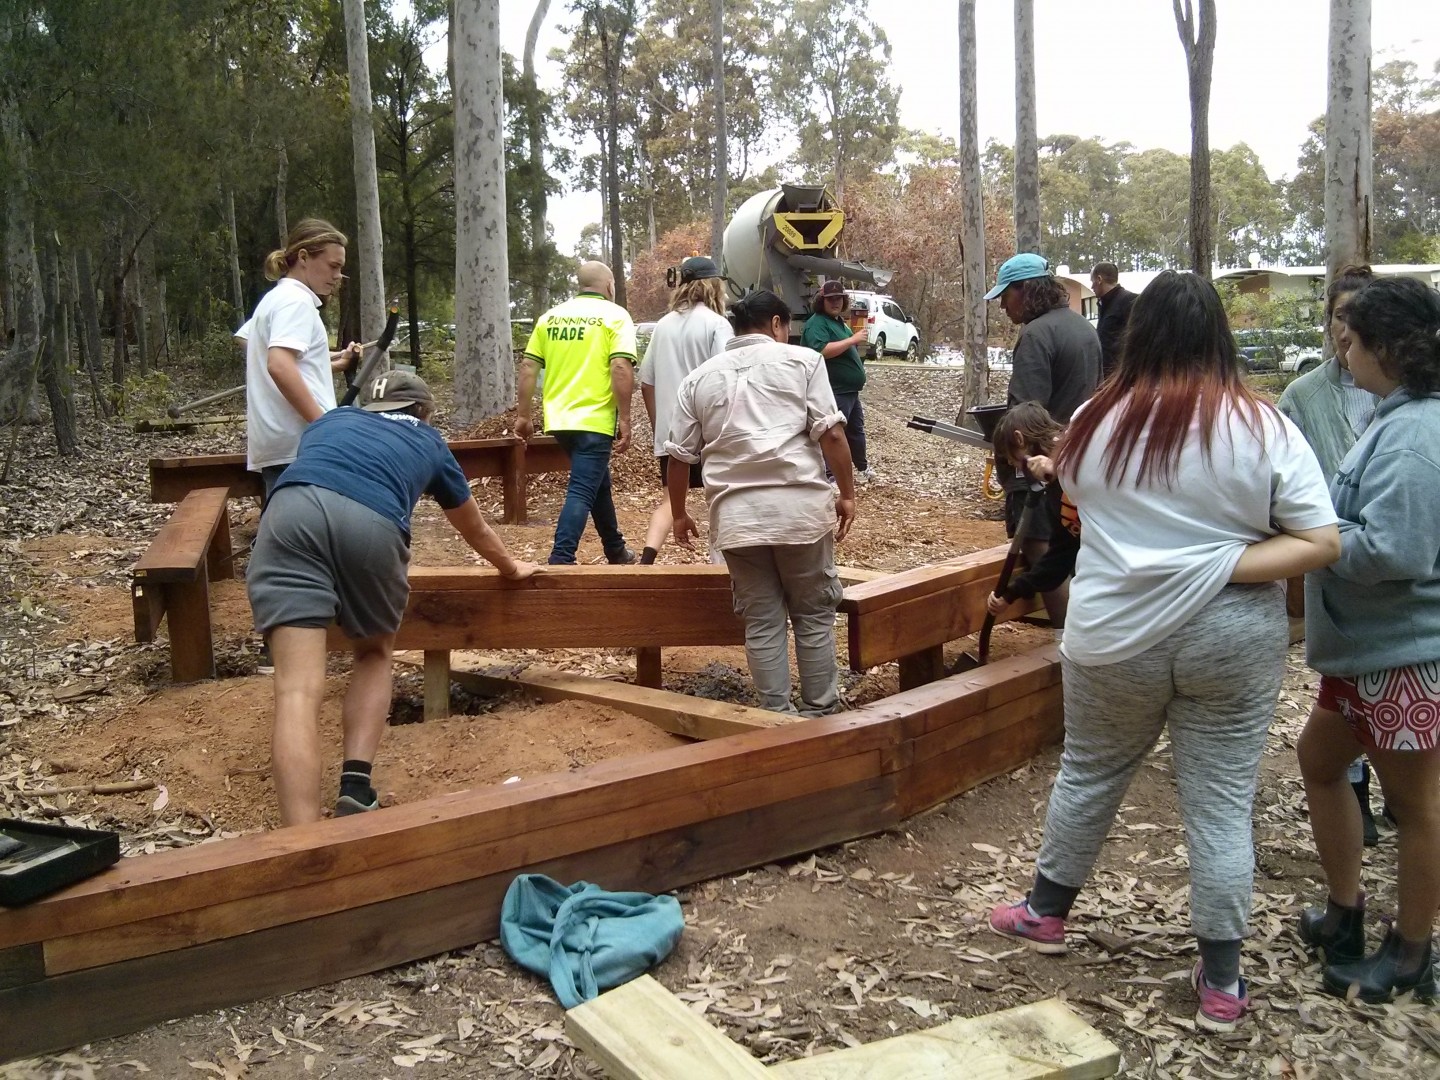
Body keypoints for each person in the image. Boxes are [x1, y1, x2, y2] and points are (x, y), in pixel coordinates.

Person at [987, 271, 1340, 1034]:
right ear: (1220, 336)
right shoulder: (1264, 426)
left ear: (1138, 336)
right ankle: (1221, 980)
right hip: (1232, 639)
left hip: (1114, 635)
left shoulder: (1092, 421)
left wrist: (1177, 561)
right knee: (1218, 802)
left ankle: (1045, 912)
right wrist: (1219, 563)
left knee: (1089, 770)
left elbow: (1079, 501)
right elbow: (1321, 542)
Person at [247, 372, 538, 827]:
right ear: (422, 411)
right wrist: (511, 567)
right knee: (374, 652)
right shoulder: (430, 440)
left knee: (296, 689)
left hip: (287, 514)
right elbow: (472, 526)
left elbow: (325, 478)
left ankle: (300, 845)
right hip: (371, 520)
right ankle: (356, 786)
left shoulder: (331, 421)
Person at [1294, 277, 1440, 1004]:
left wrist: (1317, 538)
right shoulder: (1398, 414)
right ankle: (1345, 913)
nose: (1342, 351)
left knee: (1417, 809)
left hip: (1401, 657)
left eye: (1353, 341)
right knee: (1319, 762)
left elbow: (1399, 551)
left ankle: (1413, 952)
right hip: (1363, 652)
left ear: (1391, 348)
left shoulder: (1417, 438)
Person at [667, 290, 856, 716]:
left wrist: (679, 515)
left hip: (737, 520)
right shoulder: (804, 362)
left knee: (763, 621)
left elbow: (678, 458)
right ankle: (820, 711)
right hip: (800, 514)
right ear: (776, 323)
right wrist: (846, 493)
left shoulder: (699, 379)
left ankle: (776, 718)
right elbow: (832, 434)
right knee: (812, 614)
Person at [1277, 265, 1382, 844]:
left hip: (1393, 569)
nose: (1348, 332)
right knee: (1341, 690)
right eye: (1341, 316)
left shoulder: (1406, 400)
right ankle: (1356, 794)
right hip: (1333, 566)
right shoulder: (1303, 395)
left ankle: (1403, 793)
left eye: (1360, 320)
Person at [986, 253, 1102, 628]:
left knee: (1042, 549)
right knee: (1075, 551)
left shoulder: (1036, 334)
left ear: (1026, 290)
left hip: (1042, 464)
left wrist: (1018, 464)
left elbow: (1026, 412)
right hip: (1079, 458)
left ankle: (1063, 641)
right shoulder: (1083, 327)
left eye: (1006, 295)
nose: (1003, 305)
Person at [516, 262, 639, 566]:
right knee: (583, 488)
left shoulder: (550, 318)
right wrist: (625, 417)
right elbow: (621, 366)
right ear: (609, 286)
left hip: (559, 420)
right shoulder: (615, 316)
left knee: (598, 482)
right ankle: (562, 555)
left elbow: (529, 367)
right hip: (594, 420)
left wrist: (523, 415)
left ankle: (615, 549)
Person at [245, 218, 361, 501]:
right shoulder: (295, 302)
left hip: (281, 443)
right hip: (300, 444)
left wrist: (333, 360)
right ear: (304, 257)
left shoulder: (276, 298)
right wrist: (323, 424)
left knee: (287, 534)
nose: (337, 276)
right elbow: (279, 365)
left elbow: (281, 357)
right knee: (306, 538)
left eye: (341, 268)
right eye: (333, 266)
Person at [637, 256, 734, 564]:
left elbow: (647, 381)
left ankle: (647, 558)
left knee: (670, 498)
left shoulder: (663, 326)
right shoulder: (718, 324)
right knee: (720, 497)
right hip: (709, 429)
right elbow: (726, 373)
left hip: (670, 431)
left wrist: (659, 427)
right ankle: (721, 567)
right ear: (714, 286)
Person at [982, 402, 1078, 622]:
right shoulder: (1053, 487)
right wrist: (1011, 594)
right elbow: (1059, 555)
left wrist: (1063, 471)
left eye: (1010, 455)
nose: (1009, 462)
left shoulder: (1078, 456)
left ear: (1019, 439)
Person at [801, 280, 875, 483]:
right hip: (835, 390)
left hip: (850, 391)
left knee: (855, 431)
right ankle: (830, 475)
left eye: (839, 299)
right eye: (830, 299)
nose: (835, 302)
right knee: (834, 433)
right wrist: (852, 340)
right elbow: (820, 351)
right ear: (821, 301)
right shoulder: (817, 323)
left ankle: (862, 467)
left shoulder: (837, 321)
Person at [1090, 262, 1136, 379]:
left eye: (1092, 281)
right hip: (1105, 374)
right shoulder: (1104, 304)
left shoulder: (1129, 301)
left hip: (1121, 376)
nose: (1091, 287)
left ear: (1099, 279)